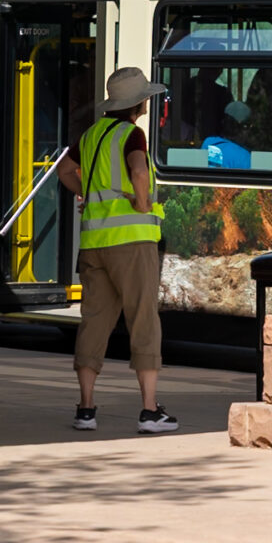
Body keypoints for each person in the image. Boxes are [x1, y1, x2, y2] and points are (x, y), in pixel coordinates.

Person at [57, 66, 176, 434]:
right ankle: (149, 410)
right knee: (143, 321)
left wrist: (86, 194)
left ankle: (86, 409)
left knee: (94, 322)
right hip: (131, 243)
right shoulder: (132, 135)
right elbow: (139, 172)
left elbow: (64, 170)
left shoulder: (91, 135)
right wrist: (142, 203)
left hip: (94, 245)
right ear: (138, 104)